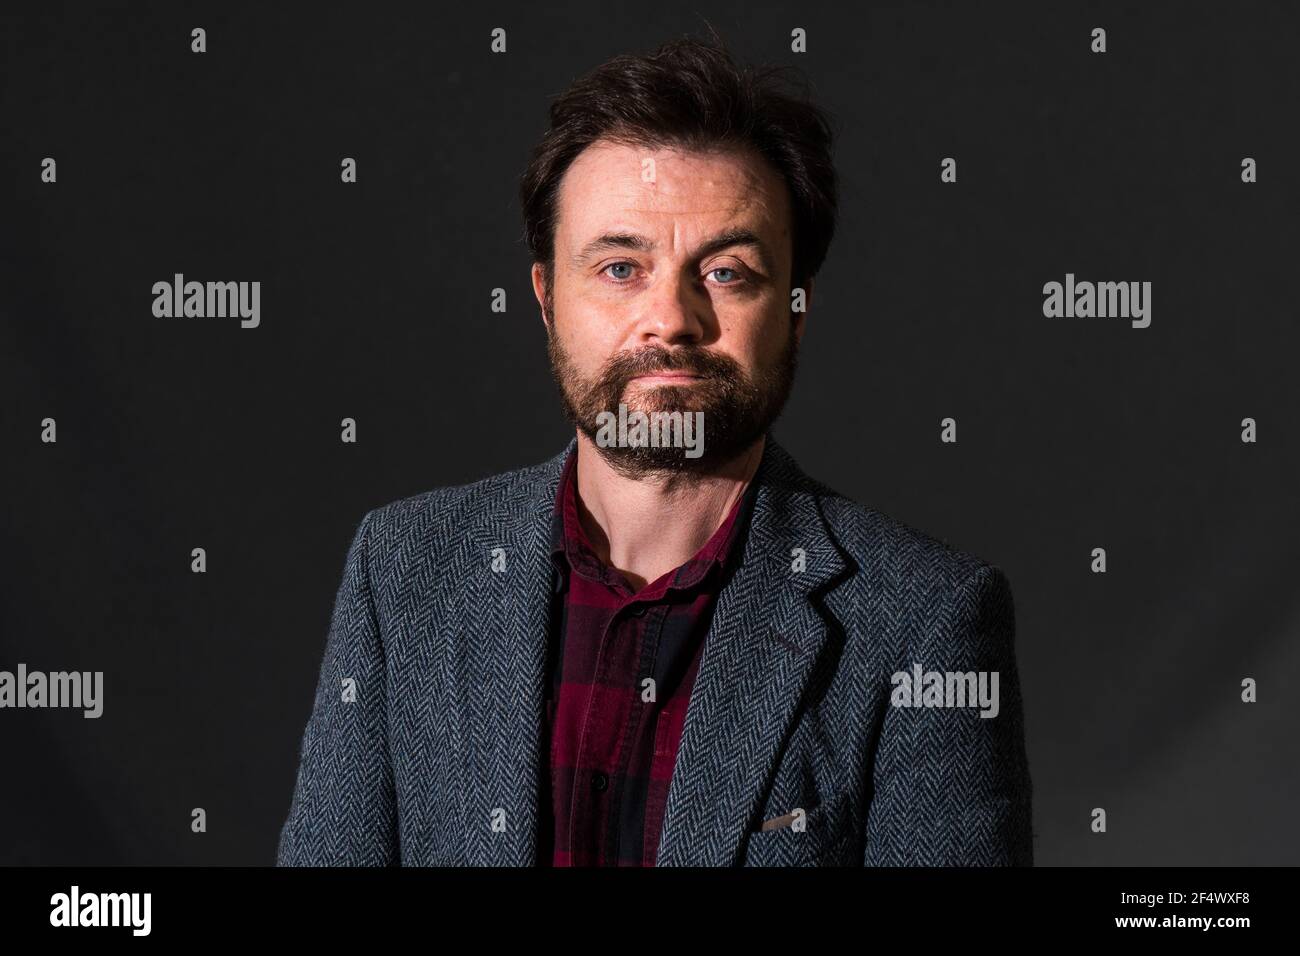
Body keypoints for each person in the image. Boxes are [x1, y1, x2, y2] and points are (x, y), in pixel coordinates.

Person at [276, 34, 1032, 867]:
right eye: (619, 267)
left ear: (796, 308)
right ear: (545, 297)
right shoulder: (404, 570)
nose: (669, 318)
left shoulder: (926, 619)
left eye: (726, 272)